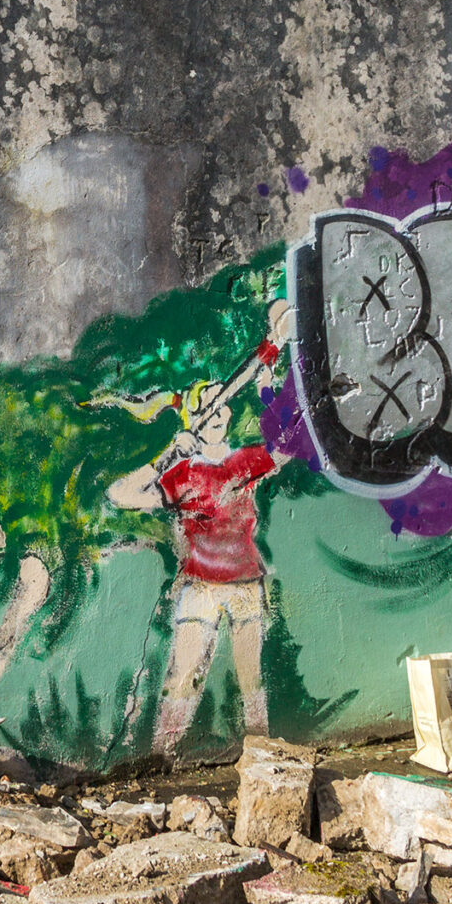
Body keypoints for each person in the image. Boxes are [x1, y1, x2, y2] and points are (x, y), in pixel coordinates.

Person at [93, 298, 291, 752]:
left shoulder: (245, 462)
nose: (218, 411)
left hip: (245, 583)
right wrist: (168, 454)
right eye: (207, 406)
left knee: (250, 676)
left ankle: (263, 754)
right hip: (199, 585)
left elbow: (286, 446)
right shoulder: (182, 474)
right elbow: (120, 494)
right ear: (194, 420)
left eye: (221, 405)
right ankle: (164, 751)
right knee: (183, 673)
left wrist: (269, 383)